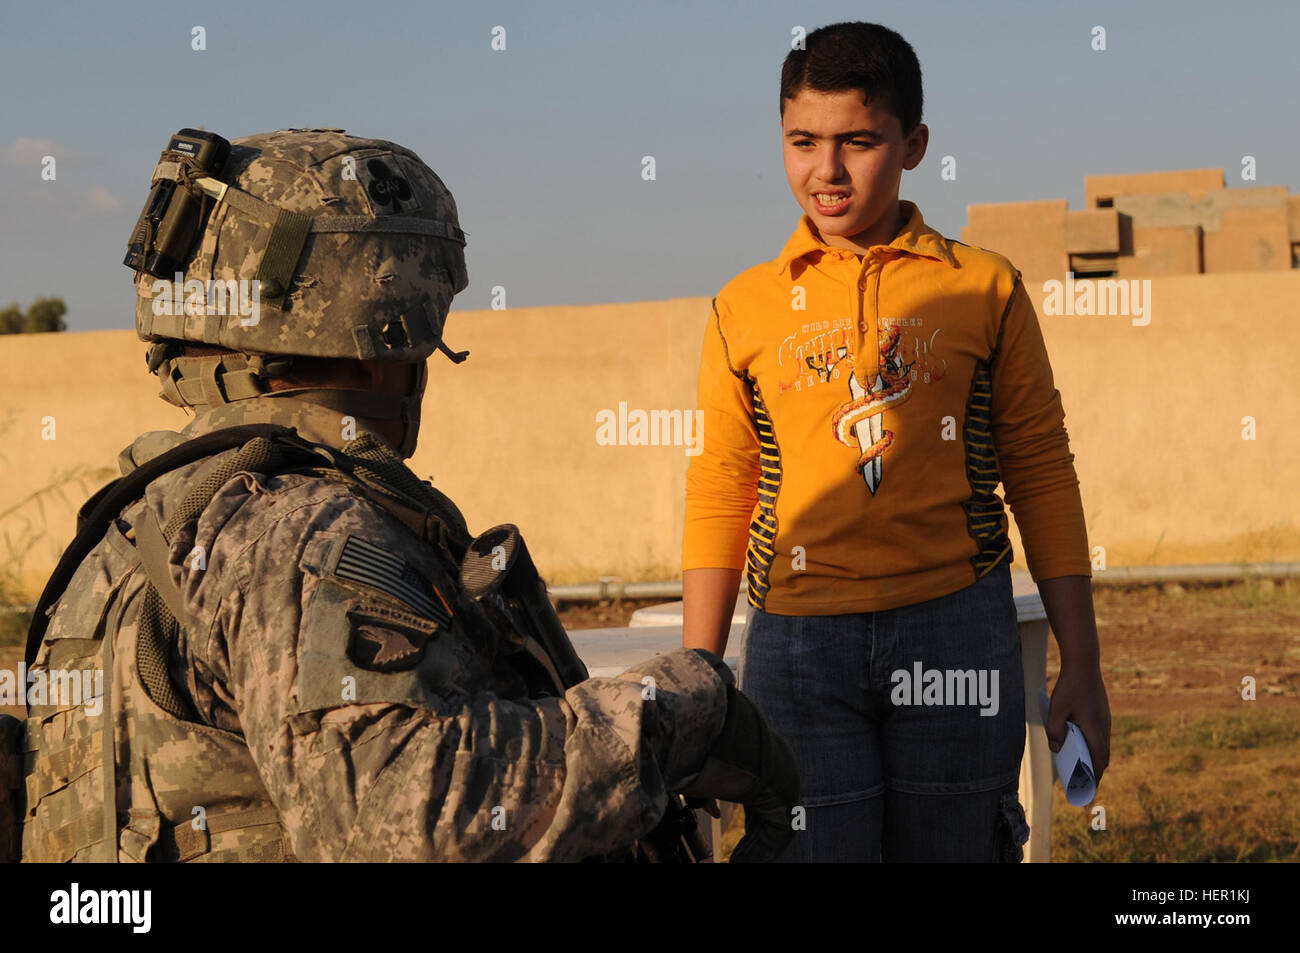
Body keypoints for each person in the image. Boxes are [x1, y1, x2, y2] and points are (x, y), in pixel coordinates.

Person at [15, 127, 798, 863]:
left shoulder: (135, 518)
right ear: (384, 321)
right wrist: (680, 714)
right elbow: (412, 814)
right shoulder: (299, 526)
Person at [681, 22, 1111, 862]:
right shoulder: (745, 307)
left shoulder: (982, 288)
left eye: (858, 141)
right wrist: (701, 678)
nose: (827, 170)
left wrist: (1082, 661)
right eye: (803, 141)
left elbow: (1041, 471)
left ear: (914, 145)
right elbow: (722, 484)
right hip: (798, 647)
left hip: (956, 629)